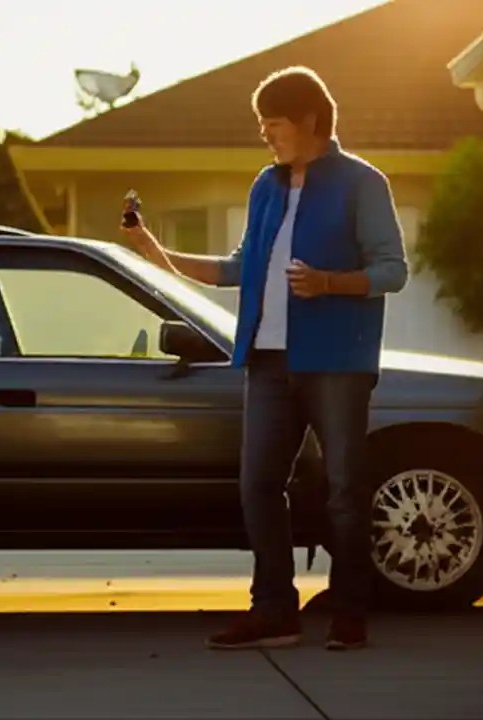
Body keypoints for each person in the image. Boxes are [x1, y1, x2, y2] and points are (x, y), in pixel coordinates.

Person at [120, 66, 408, 651]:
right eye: (262, 125)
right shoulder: (265, 186)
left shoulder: (362, 184)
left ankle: (351, 611)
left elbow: (392, 271)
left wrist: (329, 283)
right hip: (268, 362)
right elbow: (238, 268)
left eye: (272, 124)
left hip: (335, 363)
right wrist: (153, 250)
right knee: (258, 486)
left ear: (308, 121)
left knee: (345, 489)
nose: (265, 135)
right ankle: (275, 609)